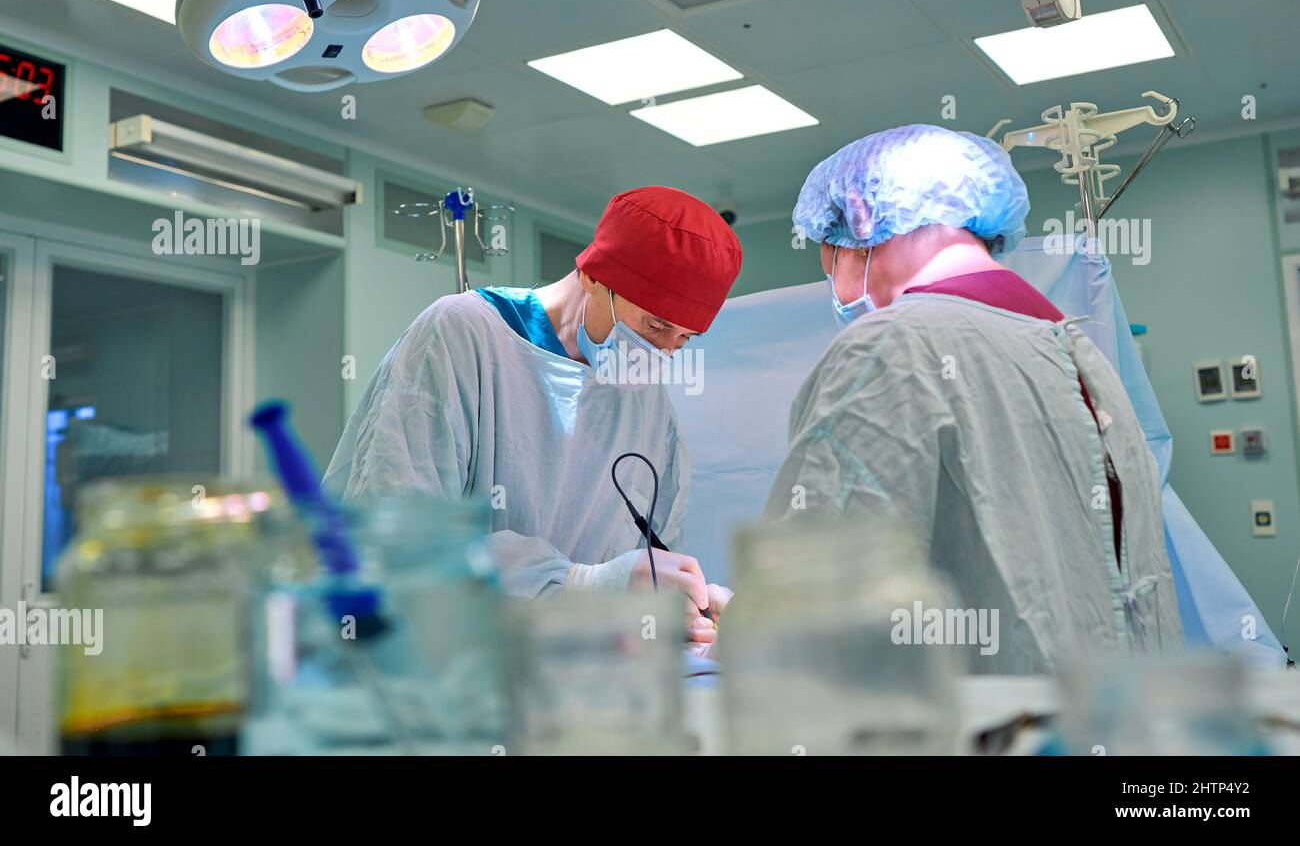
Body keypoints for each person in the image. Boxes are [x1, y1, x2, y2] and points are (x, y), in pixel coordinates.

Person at [766, 125, 1182, 671]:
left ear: (861, 226)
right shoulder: (1077, 350)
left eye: (831, 266)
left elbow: (810, 609)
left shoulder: (889, 347)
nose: (840, 294)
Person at [325, 186, 740, 641]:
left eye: (682, 339)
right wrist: (582, 586)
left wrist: (681, 602)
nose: (661, 352)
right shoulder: (464, 336)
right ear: (593, 277)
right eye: (656, 325)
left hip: (578, 675)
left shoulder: (642, 394)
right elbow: (399, 541)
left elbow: (649, 555)